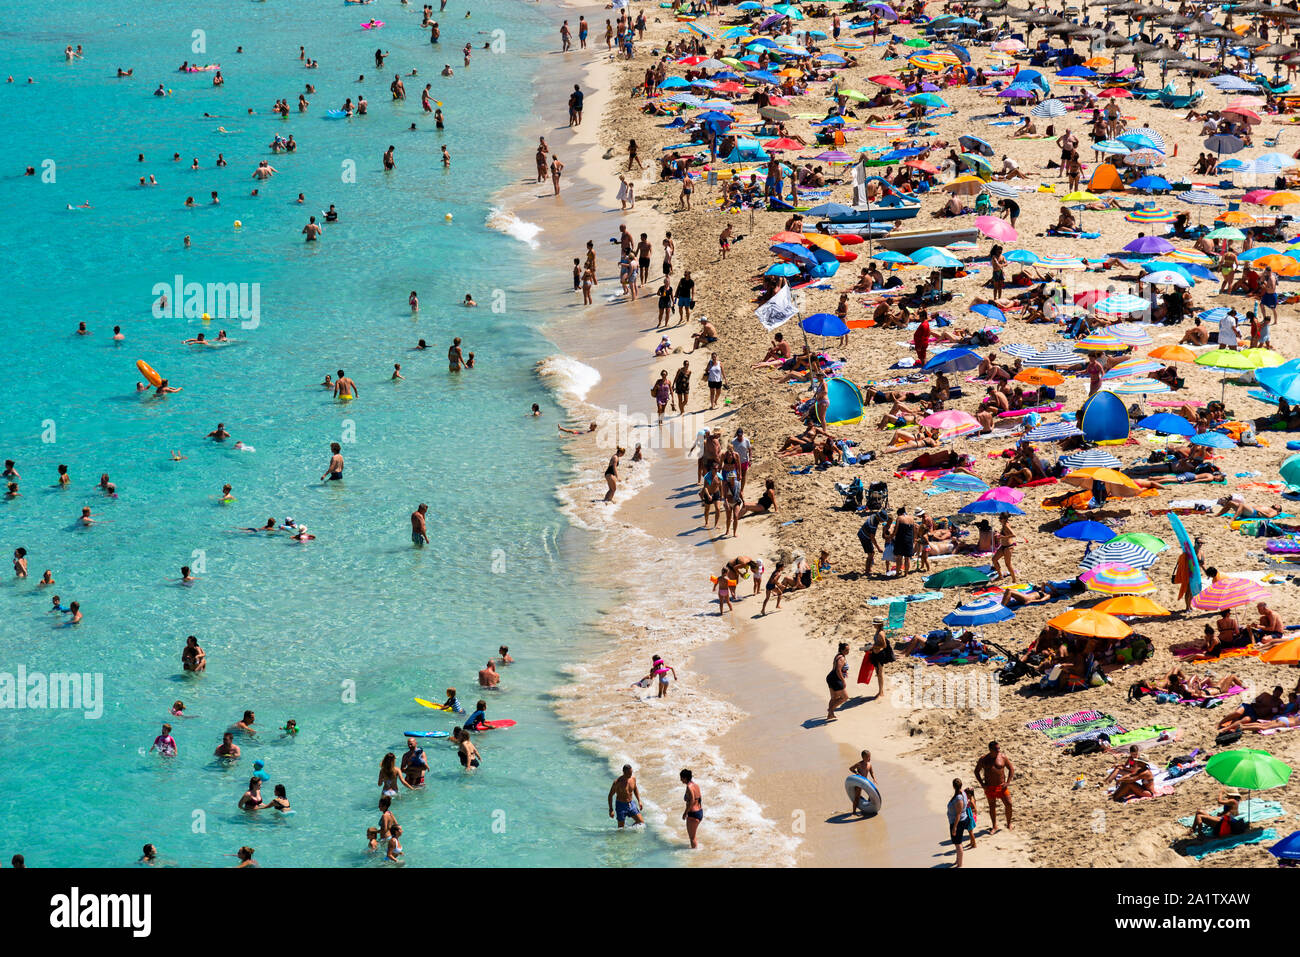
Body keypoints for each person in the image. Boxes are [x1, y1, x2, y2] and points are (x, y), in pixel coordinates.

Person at [974, 740, 1014, 833]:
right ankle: (994, 826)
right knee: (992, 806)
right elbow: (976, 771)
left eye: (999, 748)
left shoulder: (1003, 757)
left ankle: (1008, 823)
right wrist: (982, 784)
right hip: (989, 787)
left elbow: (1011, 769)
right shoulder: (984, 759)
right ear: (990, 750)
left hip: (1001, 786)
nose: (998, 750)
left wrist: (1007, 782)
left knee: (1009, 804)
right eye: (996, 749)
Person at [826, 641, 850, 721]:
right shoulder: (841, 658)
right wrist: (843, 681)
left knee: (834, 697)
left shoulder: (838, 655)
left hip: (831, 677)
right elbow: (838, 670)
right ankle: (831, 710)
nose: (848, 651)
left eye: (849, 650)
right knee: (845, 697)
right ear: (842, 650)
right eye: (847, 650)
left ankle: (830, 714)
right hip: (835, 679)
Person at [947, 778, 968, 868]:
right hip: (958, 821)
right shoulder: (962, 793)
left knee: (958, 843)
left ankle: (960, 864)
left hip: (958, 822)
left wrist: (955, 827)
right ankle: (957, 860)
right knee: (957, 842)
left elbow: (958, 814)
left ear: (953, 786)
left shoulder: (959, 797)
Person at [680, 769, 703, 848]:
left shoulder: (689, 787)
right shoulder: (695, 785)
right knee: (693, 836)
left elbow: (692, 800)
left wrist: (685, 813)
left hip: (693, 814)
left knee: (692, 838)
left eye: (681, 778)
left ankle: (695, 856)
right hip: (699, 812)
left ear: (685, 778)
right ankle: (695, 850)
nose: (681, 780)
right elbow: (698, 798)